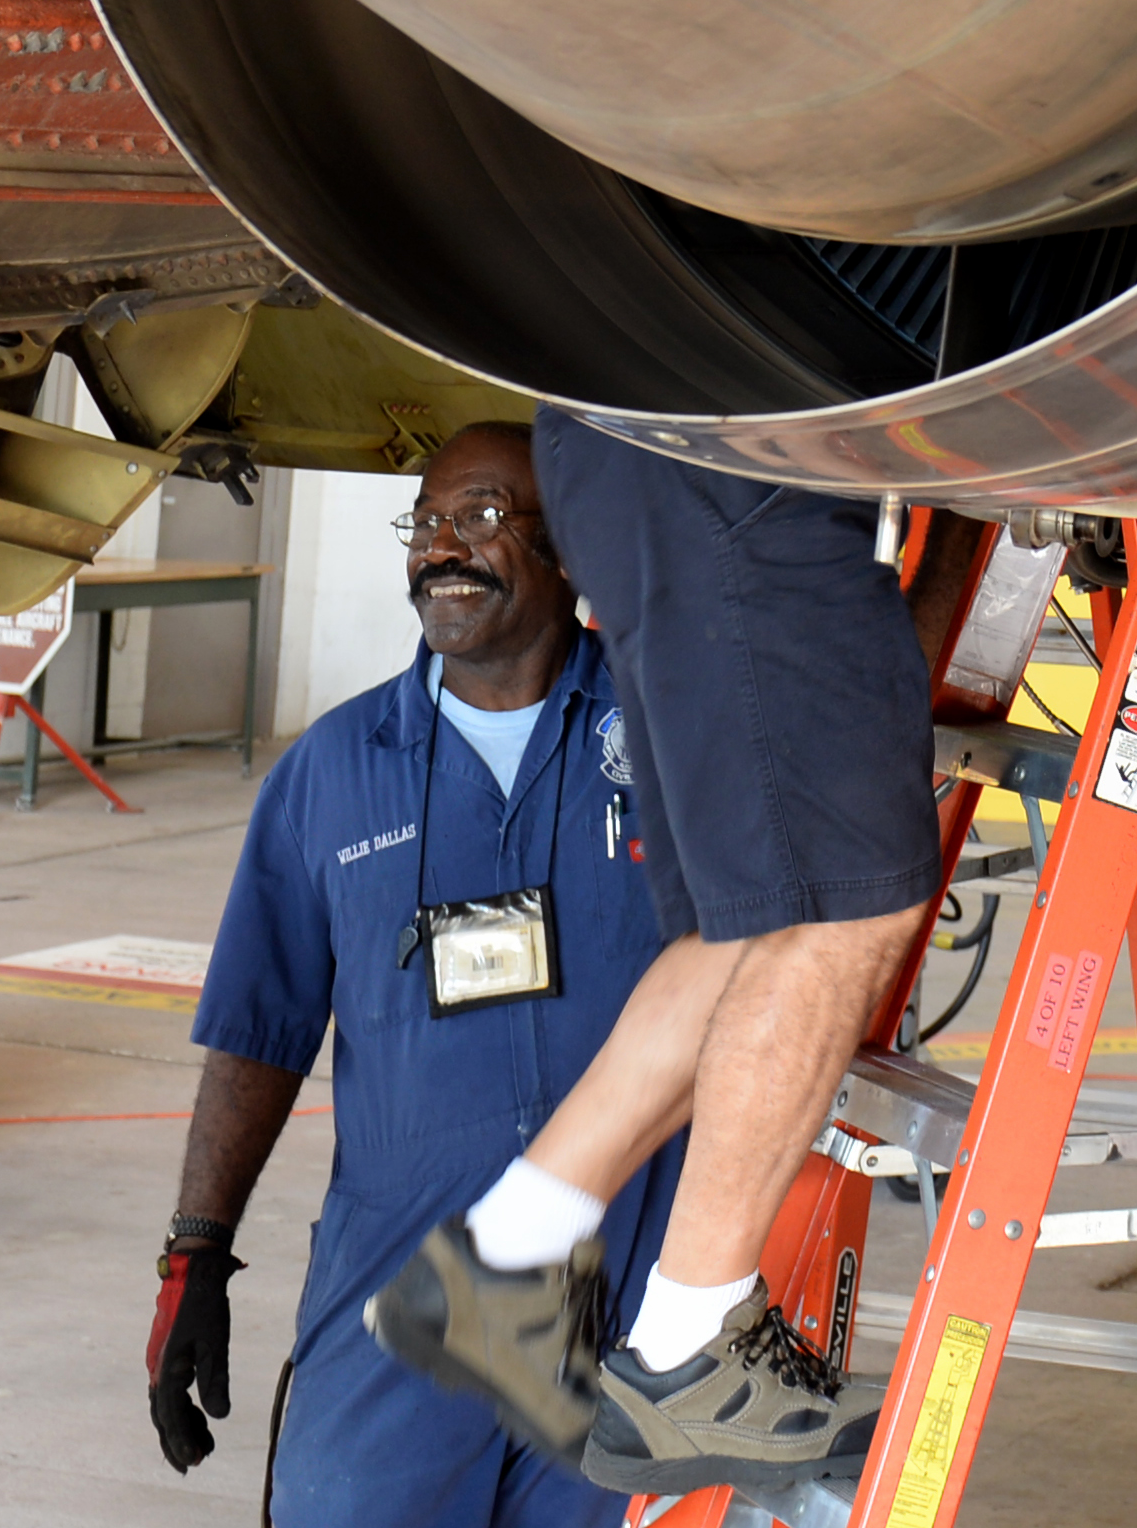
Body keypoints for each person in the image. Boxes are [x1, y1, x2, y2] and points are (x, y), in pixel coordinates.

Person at [366, 418, 938, 1502]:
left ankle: (507, 1258)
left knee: (752, 924)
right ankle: (691, 1350)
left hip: (646, 454)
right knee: (839, 911)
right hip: (740, 462)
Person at [150, 419, 680, 1522]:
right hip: (401, 1287)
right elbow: (258, 1031)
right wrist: (195, 1251)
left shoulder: (670, 736)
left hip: (626, 1296)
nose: (442, 548)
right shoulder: (331, 773)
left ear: (570, 546)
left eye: (481, 517)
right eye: (425, 522)